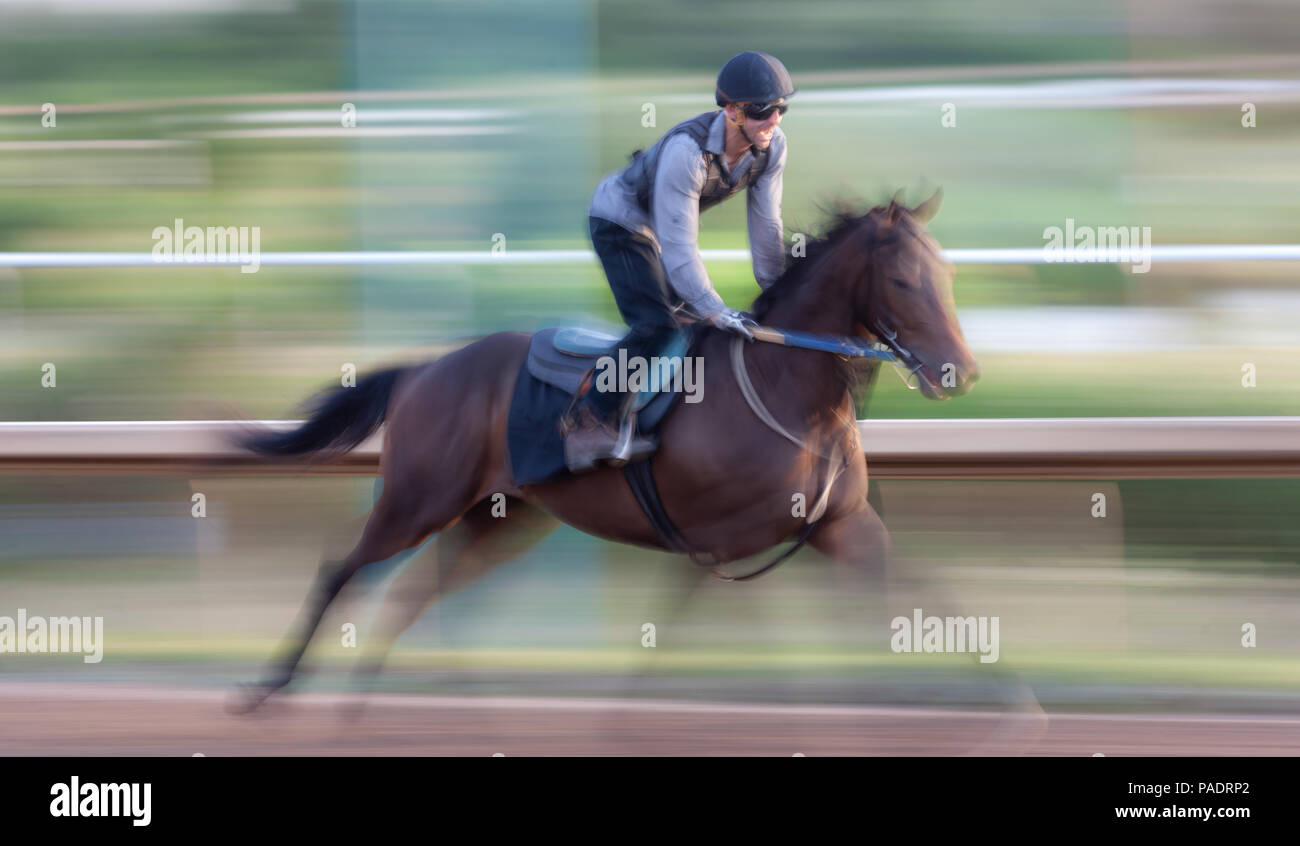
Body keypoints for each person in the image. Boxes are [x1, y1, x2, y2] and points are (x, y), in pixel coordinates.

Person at [566, 50, 794, 472]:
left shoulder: (772, 148)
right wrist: (716, 309)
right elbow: (679, 250)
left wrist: (779, 295)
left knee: (692, 328)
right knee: (656, 325)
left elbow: (767, 230)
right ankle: (588, 418)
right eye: (763, 110)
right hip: (617, 221)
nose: (775, 119)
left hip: (655, 229)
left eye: (782, 107)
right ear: (731, 111)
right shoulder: (685, 154)